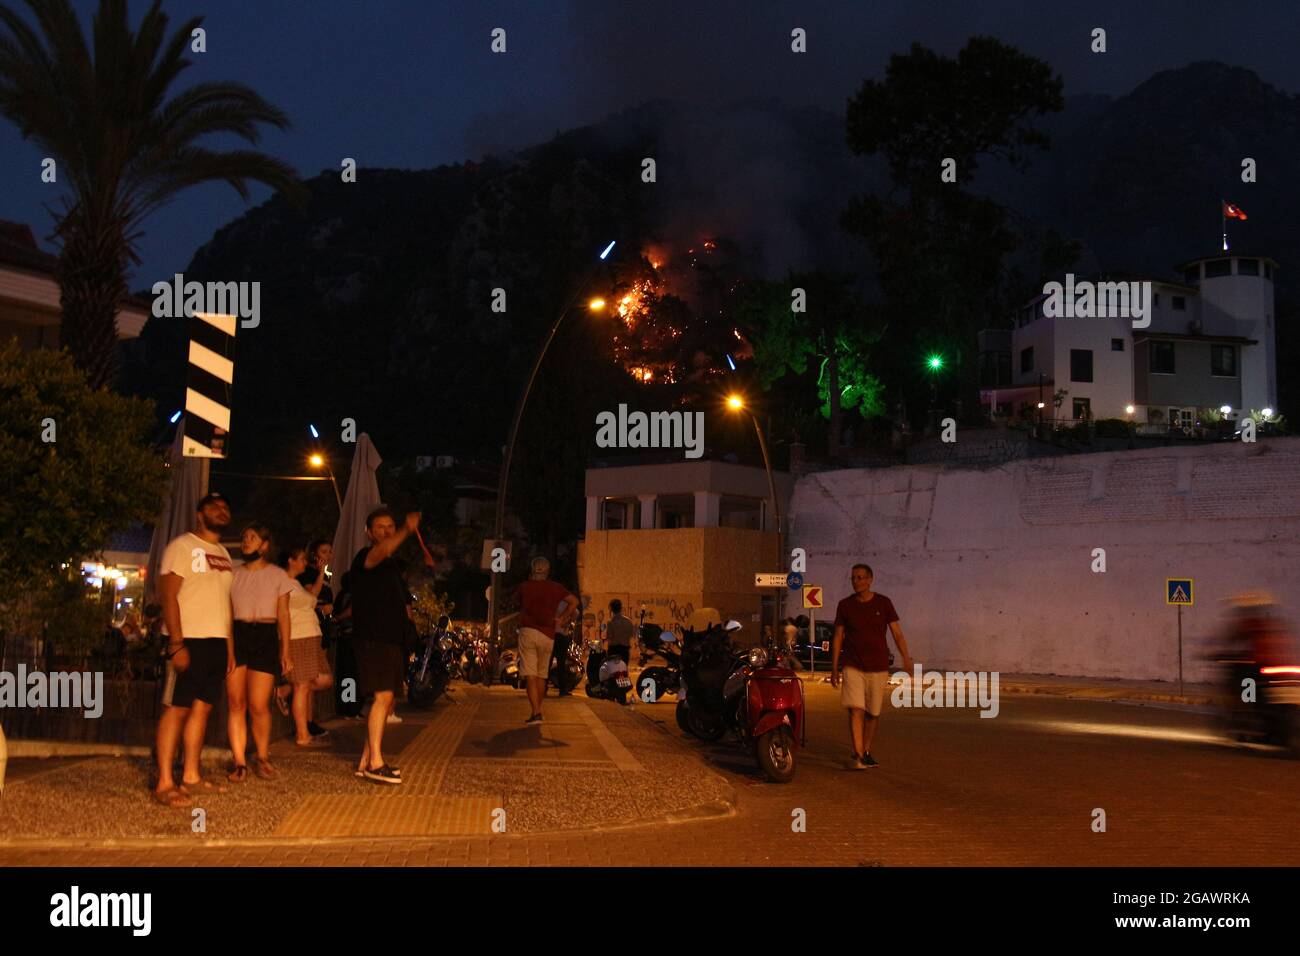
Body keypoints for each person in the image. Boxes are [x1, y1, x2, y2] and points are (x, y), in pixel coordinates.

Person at [152, 493, 236, 806]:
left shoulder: (224, 553)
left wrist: (230, 647)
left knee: (202, 709)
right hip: (187, 640)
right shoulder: (182, 546)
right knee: (177, 709)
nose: (222, 509)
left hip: (215, 643)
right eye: (214, 506)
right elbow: (168, 596)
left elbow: (225, 602)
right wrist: (176, 643)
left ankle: (191, 775)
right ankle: (164, 782)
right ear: (199, 515)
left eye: (225, 506)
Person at [349, 507, 421, 784]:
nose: (387, 531)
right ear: (369, 532)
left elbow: (404, 603)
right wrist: (406, 529)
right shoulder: (365, 557)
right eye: (380, 527)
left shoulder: (391, 565)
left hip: (392, 640)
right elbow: (379, 552)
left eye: (391, 526)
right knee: (381, 698)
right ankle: (375, 764)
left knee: (388, 699)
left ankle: (366, 760)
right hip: (373, 639)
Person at [227, 523, 294, 782]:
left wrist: (285, 651)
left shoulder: (278, 575)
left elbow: (284, 615)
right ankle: (239, 761)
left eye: (252, 538)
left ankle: (262, 757)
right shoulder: (232, 574)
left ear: (265, 545)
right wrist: (229, 646)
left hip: (265, 636)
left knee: (258, 704)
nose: (246, 542)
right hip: (238, 633)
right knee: (235, 702)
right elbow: (226, 614)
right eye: (244, 538)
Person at [830, 563, 913, 770]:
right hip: (853, 664)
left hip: (878, 665)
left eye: (860, 577)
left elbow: (897, 633)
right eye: (853, 578)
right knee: (856, 709)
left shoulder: (884, 603)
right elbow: (838, 636)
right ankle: (857, 754)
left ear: (870, 579)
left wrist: (906, 657)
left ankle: (866, 750)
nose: (856, 582)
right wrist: (834, 667)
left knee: (872, 713)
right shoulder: (845, 605)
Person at [275, 547, 335, 747]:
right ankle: (303, 735)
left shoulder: (296, 584)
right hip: (298, 637)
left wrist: (321, 572)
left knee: (324, 680)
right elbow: (281, 614)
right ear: (291, 560)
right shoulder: (282, 582)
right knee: (302, 686)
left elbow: (313, 596)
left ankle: (284, 690)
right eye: (301, 559)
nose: (305, 563)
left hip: (311, 636)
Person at [514, 557, 578, 724]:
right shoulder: (555, 588)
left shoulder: (525, 587)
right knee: (542, 675)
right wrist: (561, 619)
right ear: (548, 571)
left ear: (532, 569)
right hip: (548, 634)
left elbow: (517, 603)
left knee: (530, 675)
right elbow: (574, 602)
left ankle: (536, 712)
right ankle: (538, 711)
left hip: (528, 632)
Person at [295, 540, 335, 737]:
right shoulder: (309, 574)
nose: (328, 555)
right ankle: (307, 723)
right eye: (324, 551)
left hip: (322, 629)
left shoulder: (325, 575)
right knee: (311, 679)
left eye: (330, 551)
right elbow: (310, 598)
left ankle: (310, 720)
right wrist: (322, 607)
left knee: (318, 679)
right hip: (307, 630)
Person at [605, 599, 634, 664]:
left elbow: (609, 637)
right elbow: (631, 635)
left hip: (614, 650)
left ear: (611, 609)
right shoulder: (628, 621)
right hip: (625, 650)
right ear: (621, 608)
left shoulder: (611, 622)